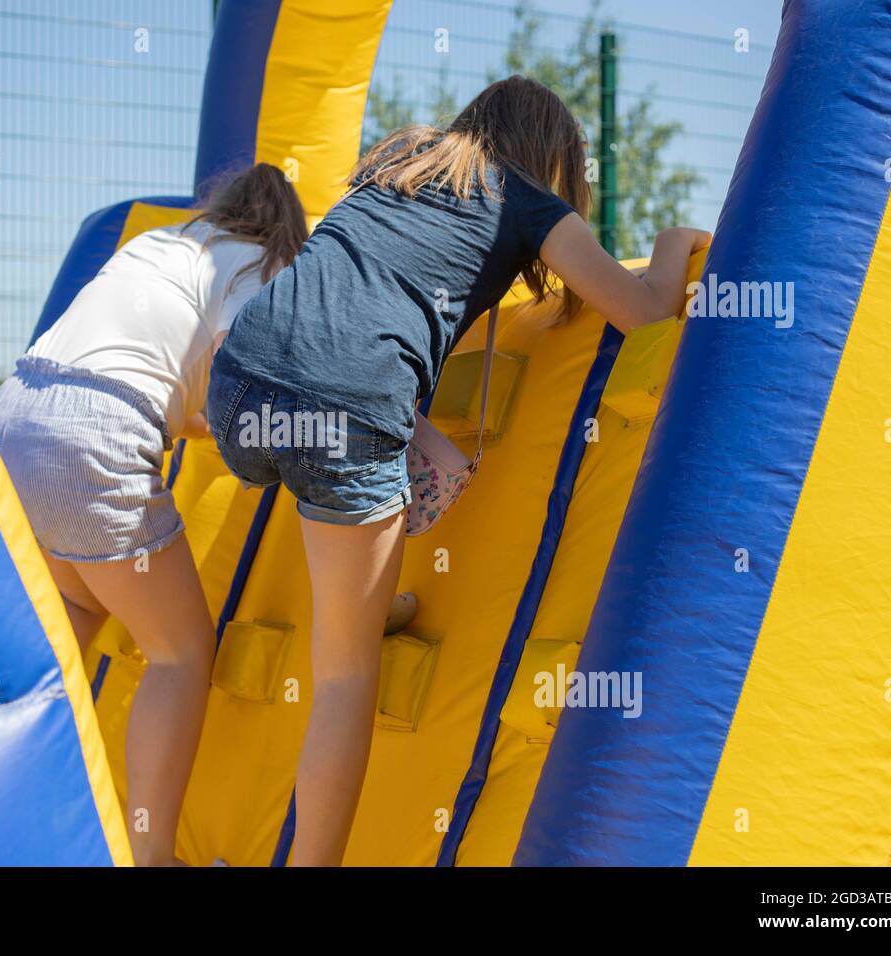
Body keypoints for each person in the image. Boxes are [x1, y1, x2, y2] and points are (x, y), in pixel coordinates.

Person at [207, 76, 711, 866]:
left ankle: (372, 597)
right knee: (344, 679)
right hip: (342, 412)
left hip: (238, 386)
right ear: (554, 156)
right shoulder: (530, 204)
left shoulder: (400, 159)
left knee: (338, 450)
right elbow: (646, 312)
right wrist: (679, 242)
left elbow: (355, 295)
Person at [0, 163, 308, 866]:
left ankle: (15, 828)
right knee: (181, 650)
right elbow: (238, 373)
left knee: (72, 621)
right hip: (94, 433)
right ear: (287, 235)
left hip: (12, 419)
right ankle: (152, 855)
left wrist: (185, 418)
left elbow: (146, 362)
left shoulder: (160, 244)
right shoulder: (261, 264)